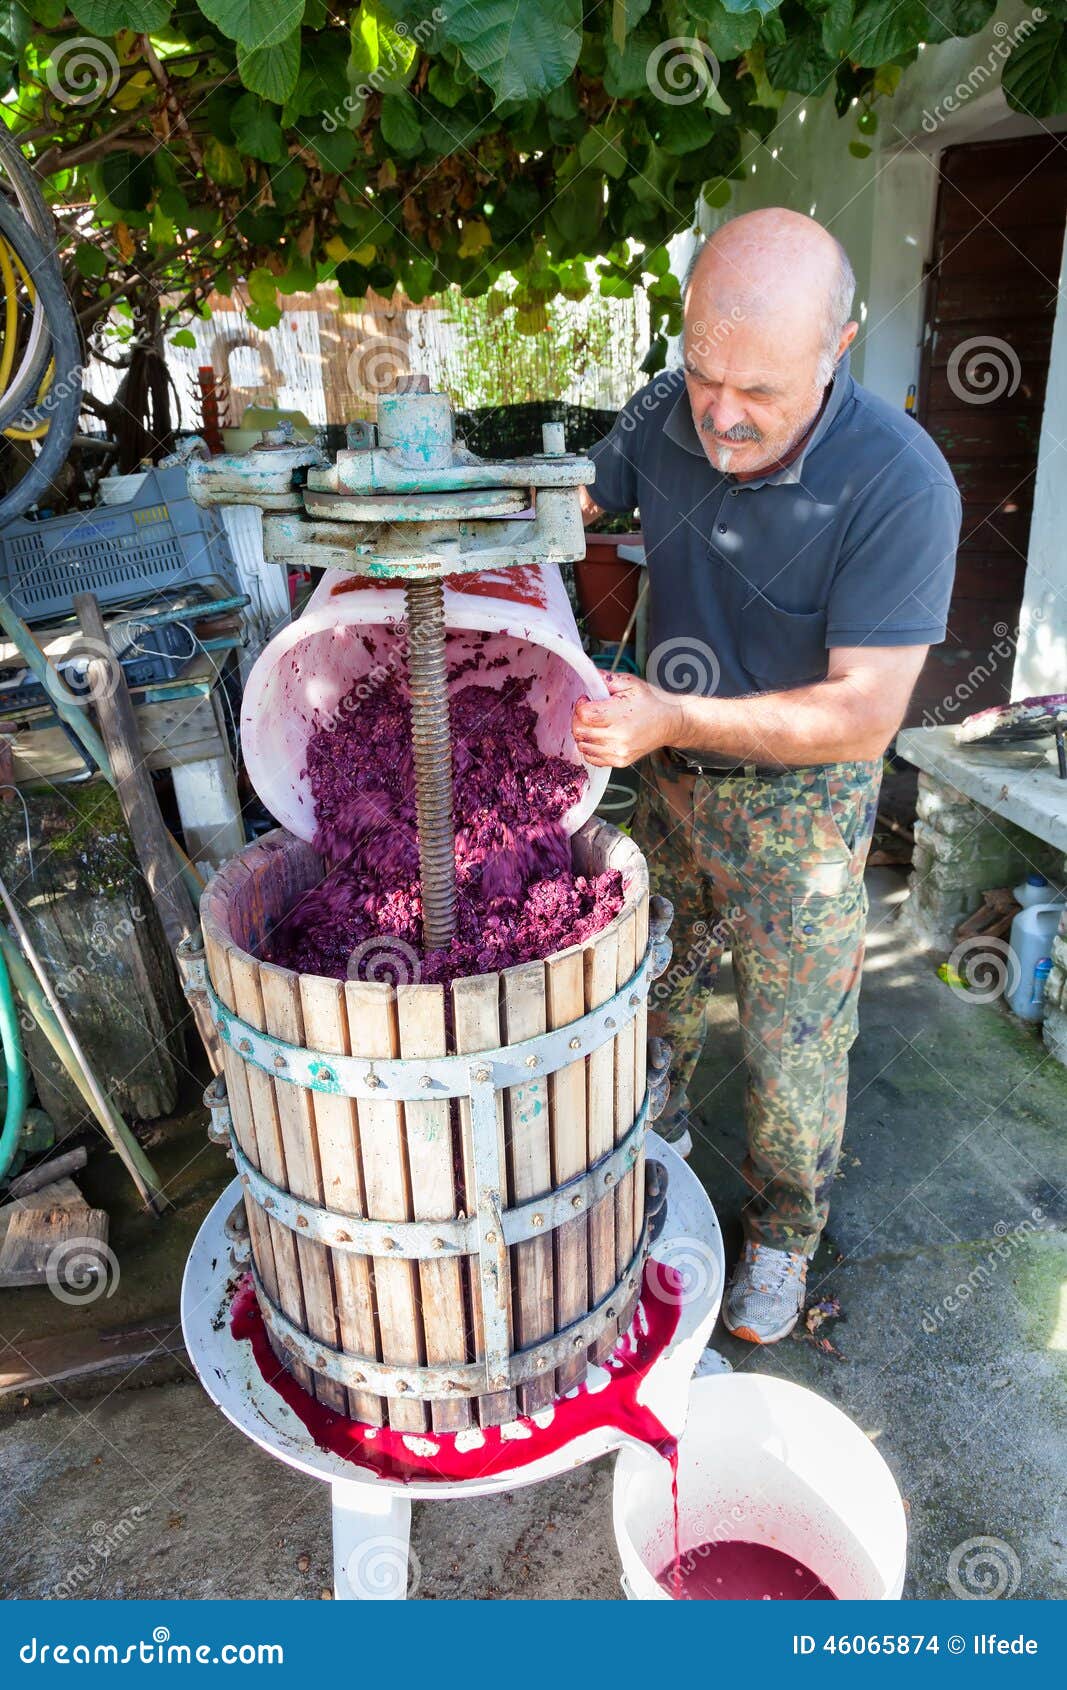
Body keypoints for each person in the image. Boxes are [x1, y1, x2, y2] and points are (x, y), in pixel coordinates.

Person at [572, 208, 961, 1344]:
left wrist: (671, 713)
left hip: (803, 801)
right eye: (702, 375)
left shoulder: (898, 484)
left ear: (836, 350)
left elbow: (863, 713)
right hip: (665, 768)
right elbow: (573, 501)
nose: (722, 414)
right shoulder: (667, 410)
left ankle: (785, 1233)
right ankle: (653, 1148)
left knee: (793, 1038)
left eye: (761, 392)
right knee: (654, 984)